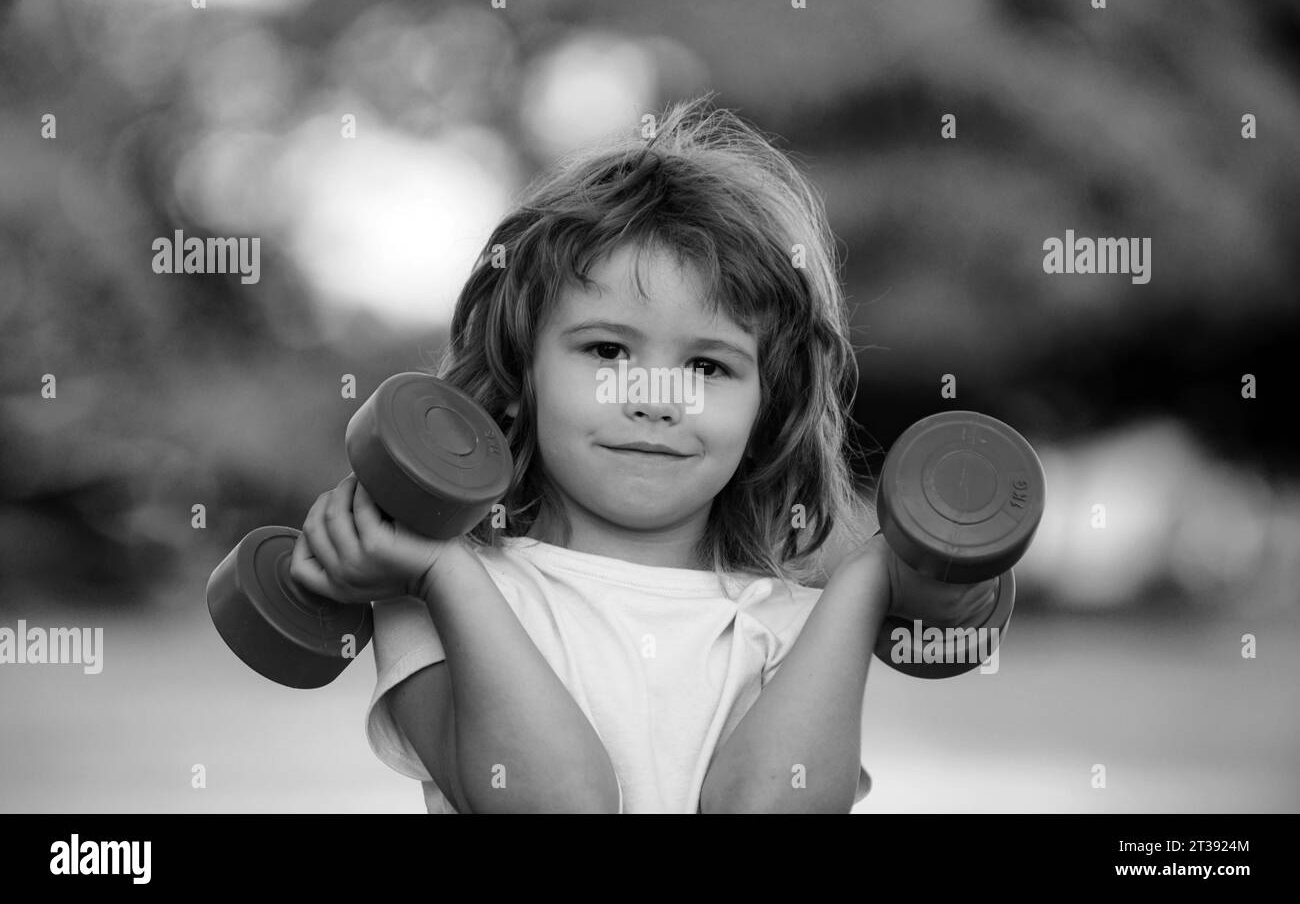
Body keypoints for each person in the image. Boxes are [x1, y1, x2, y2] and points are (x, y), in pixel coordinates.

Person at [287, 95, 1002, 813]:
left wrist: (870, 579)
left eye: (707, 367)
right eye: (606, 350)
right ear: (516, 378)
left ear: (766, 409)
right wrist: (444, 573)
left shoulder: (798, 628)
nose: (658, 399)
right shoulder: (432, 597)